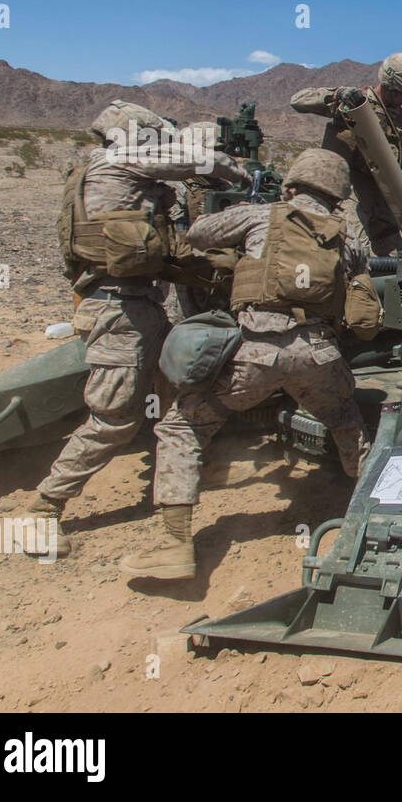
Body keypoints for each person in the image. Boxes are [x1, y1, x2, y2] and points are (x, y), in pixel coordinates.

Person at [118, 149, 376, 580]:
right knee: (348, 422)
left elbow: (199, 236)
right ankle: (374, 517)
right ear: (336, 197)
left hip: (257, 352)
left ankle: (176, 545)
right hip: (319, 354)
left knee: (183, 426)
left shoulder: (262, 216)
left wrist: (238, 217)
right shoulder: (346, 237)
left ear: (291, 186)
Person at [21, 102, 246, 558]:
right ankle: (45, 507)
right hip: (117, 312)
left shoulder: (101, 169)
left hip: (134, 306)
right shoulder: (122, 158)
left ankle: (173, 502)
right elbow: (205, 162)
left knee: (173, 400)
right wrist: (241, 175)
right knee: (114, 418)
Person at [290, 53, 402, 255]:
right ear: (390, 87)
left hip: (381, 196)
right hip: (346, 191)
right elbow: (298, 100)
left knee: (398, 259)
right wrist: (337, 94)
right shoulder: (356, 103)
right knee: (356, 251)